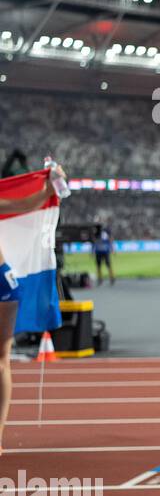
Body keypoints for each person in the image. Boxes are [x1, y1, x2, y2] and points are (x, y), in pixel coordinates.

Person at [0, 167, 63, 455]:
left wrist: (49, 188)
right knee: (1, 360)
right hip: (7, 280)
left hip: (5, 283)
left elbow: (23, 205)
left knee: (1, 360)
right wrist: (49, 189)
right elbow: (24, 205)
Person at [92, 218, 115, 286]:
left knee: (105, 266)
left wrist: (112, 248)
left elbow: (110, 240)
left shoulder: (102, 231)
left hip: (102, 250)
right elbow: (94, 241)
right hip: (102, 251)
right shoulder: (97, 231)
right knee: (102, 266)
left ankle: (109, 278)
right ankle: (104, 278)